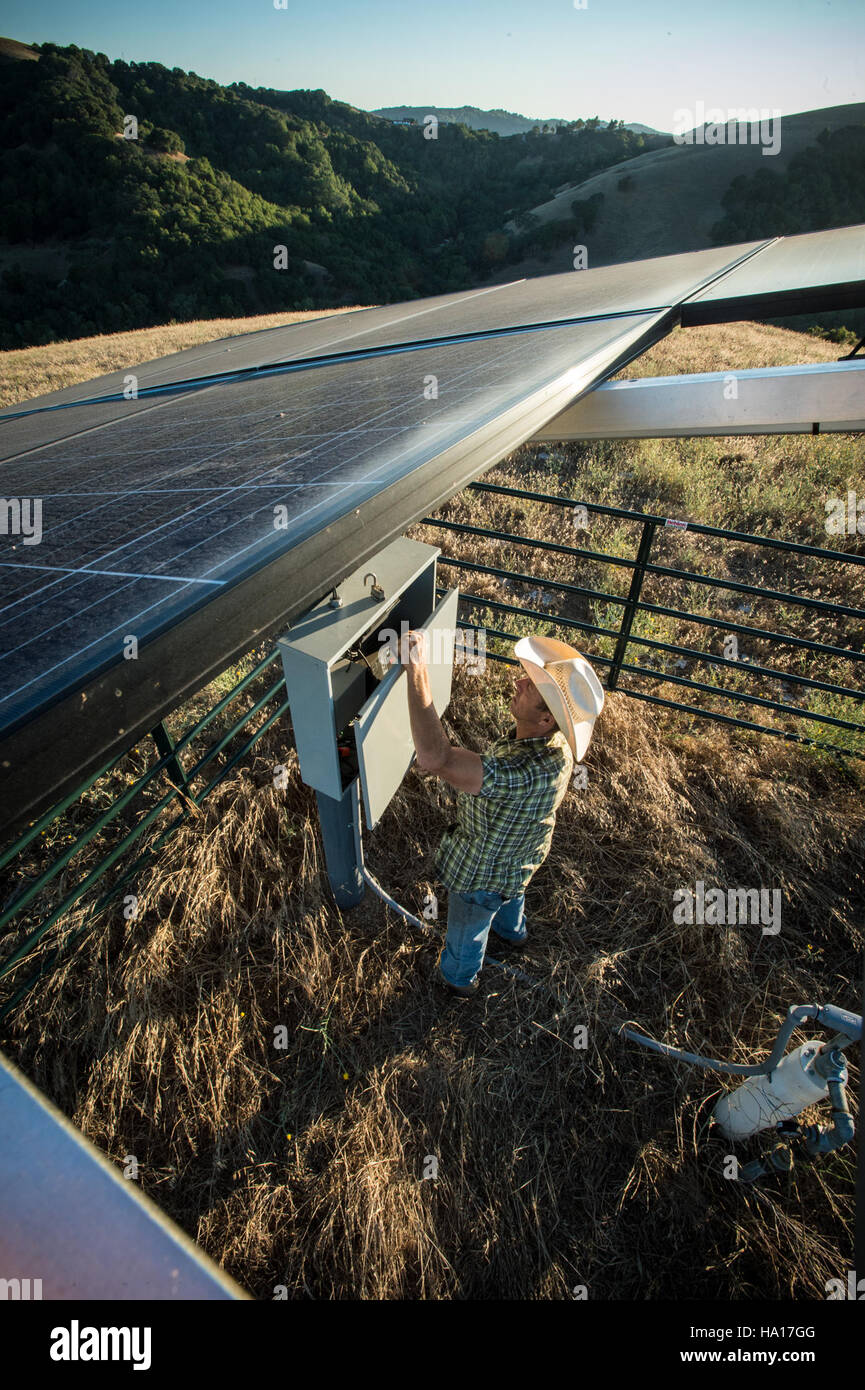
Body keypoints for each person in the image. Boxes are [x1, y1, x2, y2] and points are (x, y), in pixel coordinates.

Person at [401, 630, 605, 996]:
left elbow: (435, 758)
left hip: (482, 875)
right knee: (511, 898)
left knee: (467, 930)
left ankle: (458, 980)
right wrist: (450, 764)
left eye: (531, 687)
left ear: (546, 719)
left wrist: (416, 667)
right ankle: (514, 934)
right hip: (520, 860)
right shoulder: (552, 743)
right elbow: (451, 762)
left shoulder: (522, 773)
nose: (518, 680)